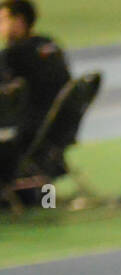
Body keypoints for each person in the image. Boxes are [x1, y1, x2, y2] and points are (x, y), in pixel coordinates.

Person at [0, 0, 69, 172]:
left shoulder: (14, 55)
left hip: (28, 132)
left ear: (19, 21)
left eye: (2, 20)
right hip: (60, 130)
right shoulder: (51, 44)